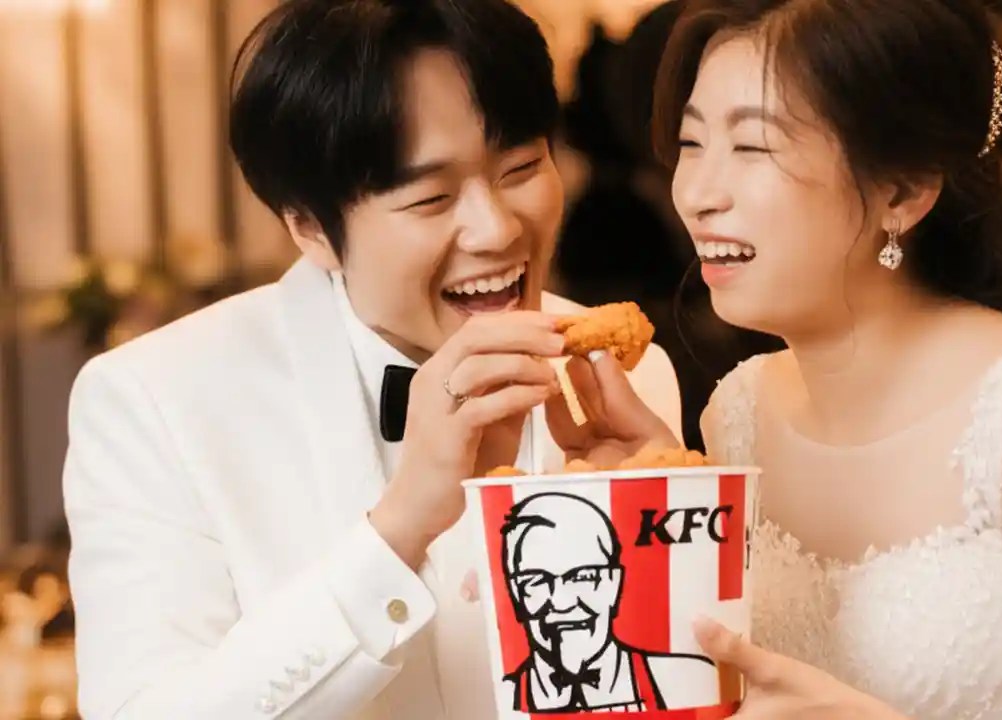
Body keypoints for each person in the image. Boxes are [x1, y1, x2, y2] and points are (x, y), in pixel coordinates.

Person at [61, 1, 681, 718]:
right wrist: (401, 525)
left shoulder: (625, 382)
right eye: (431, 197)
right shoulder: (153, 402)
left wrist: (668, 549)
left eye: (521, 168)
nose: (497, 228)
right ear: (308, 227)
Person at [616, 0, 1002, 717]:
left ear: (902, 189)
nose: (699, 194)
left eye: (753, 148)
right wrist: (649, 519)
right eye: (691, 143)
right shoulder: (736, 414)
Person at [498, 492, 716, 713]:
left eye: (583, 577)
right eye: (536, 581)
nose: (562, 602)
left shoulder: (687, 680)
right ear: (516, 594)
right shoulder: (503, 698)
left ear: (614, 584)